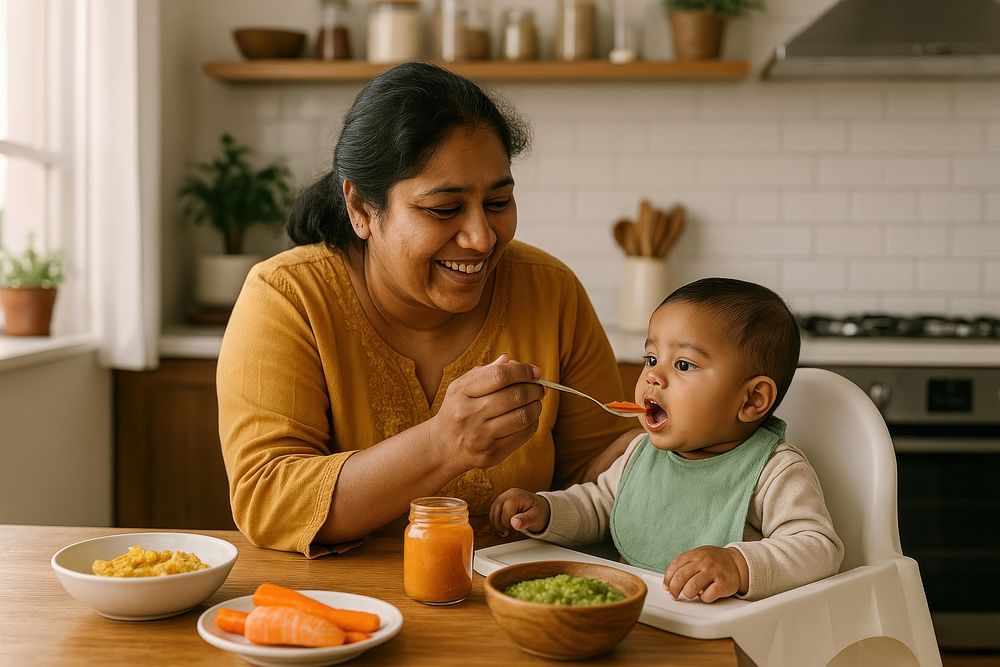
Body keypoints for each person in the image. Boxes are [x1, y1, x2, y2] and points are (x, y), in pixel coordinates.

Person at [216, 62, 638, 558]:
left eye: (499, 202)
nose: (481, 238)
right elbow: (269, 499)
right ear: (360, 209)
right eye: (443, 209)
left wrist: (688, 442)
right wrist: (445, 443)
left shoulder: (550, 290)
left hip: (515, 602)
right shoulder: (289, 296)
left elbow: (596, 477)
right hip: (344, 610)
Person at [490, 278, 844, 602]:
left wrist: (737, 565)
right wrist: (547, 511)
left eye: (684, 365)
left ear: (751, 400)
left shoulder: (775, 471)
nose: (652, 376)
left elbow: (818, 547)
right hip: (633, 613)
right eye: (651, 357)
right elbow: (598, 505)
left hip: (720, 632)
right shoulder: (639, 454)